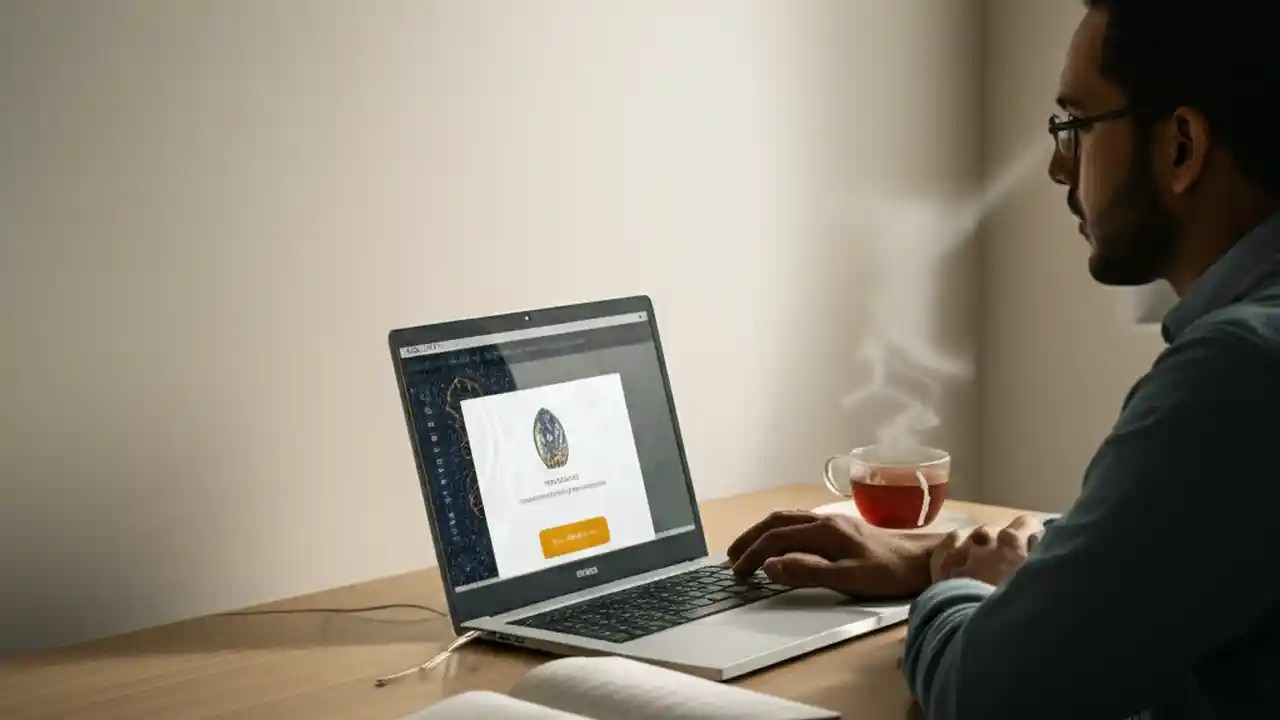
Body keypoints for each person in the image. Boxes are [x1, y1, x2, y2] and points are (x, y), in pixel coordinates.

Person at [727, 1, 1280, 717]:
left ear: (1181, 147)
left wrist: (957, 590)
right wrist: (936, 556)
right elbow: (1185, 547)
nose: (1058, 166)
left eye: (1076, 126)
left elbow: (986, 697)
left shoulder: (1235, 375)